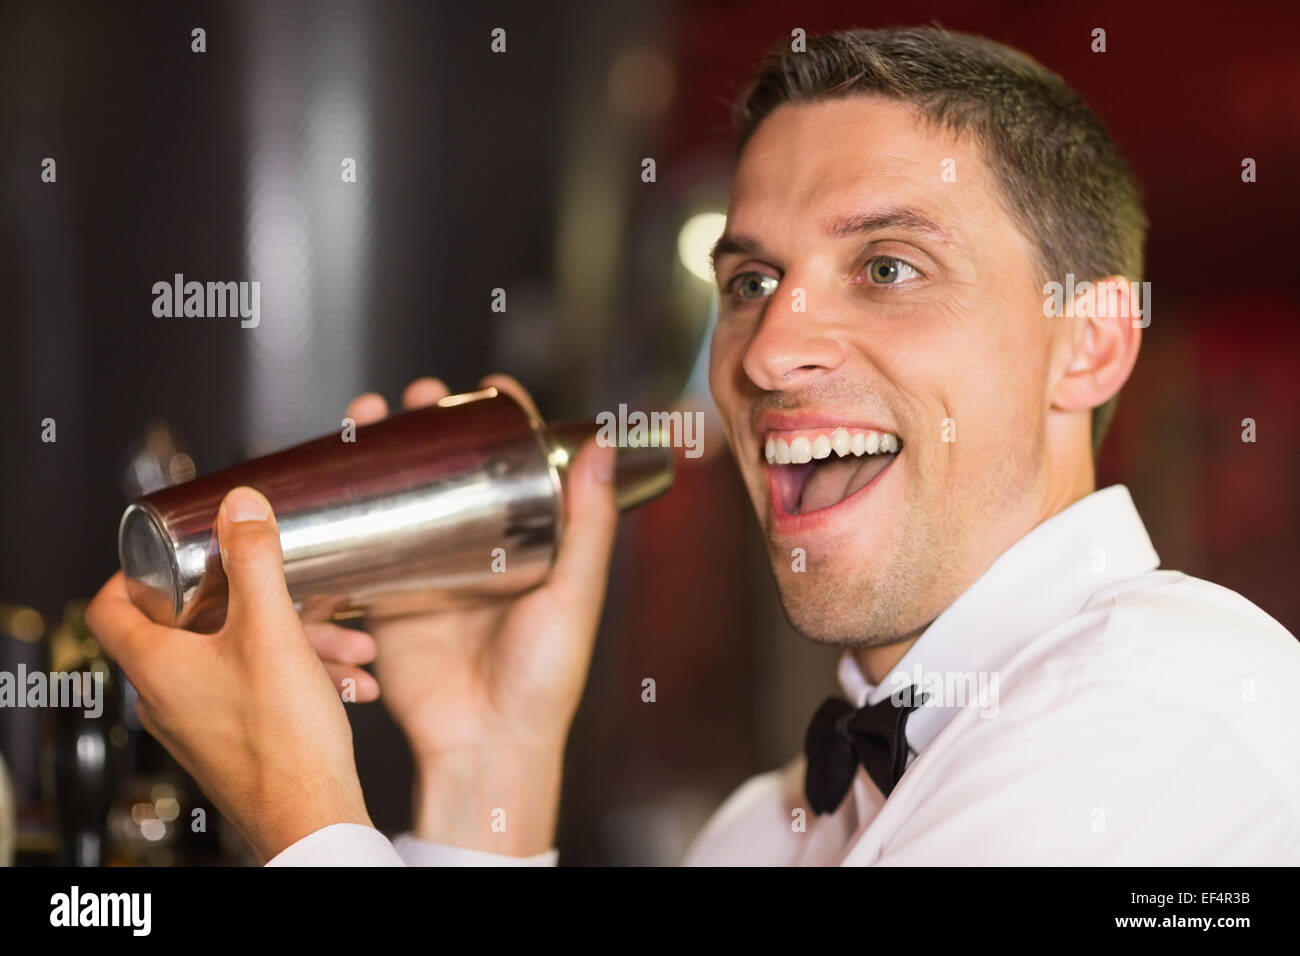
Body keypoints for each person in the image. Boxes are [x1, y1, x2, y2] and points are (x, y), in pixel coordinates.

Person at [86, 27, 1300, 866]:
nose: (768, 350)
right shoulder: (759, 831)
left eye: (887, 267)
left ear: (1090, 343)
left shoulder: (1171, 707)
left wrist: (301, 818)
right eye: (751, 280)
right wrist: (484, 765)